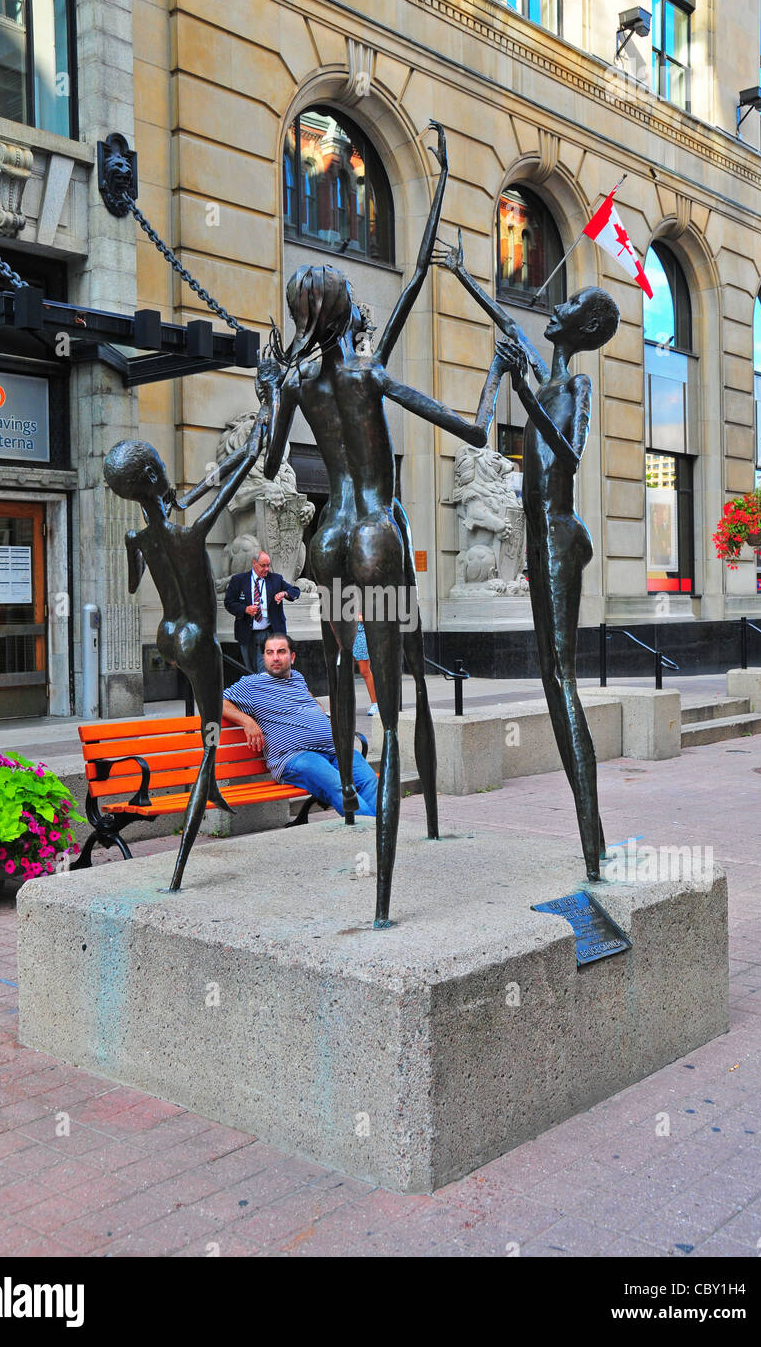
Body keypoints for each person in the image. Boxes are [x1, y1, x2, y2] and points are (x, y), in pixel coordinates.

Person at [256, 122, 508, 926]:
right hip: (375, 533)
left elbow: (269, 465)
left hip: (328, 536)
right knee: (399, 704)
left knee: (335, 676)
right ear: (340, 309)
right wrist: (437, 178)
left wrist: (271, 389)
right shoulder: (369, 368)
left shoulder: (295, 377)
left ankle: (350, 824)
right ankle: (385, 896)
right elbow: (465, 429)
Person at [103, 417, 265, 891]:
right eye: (159, 468)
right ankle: (179, 868)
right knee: (209, 745)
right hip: (198, 639)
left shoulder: (140, 538)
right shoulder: (189, 533)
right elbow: (225, 488)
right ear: (154, 478)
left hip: (168, 633)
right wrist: (251, 449)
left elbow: (135, 583)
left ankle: (209, 784)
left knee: (206, 733)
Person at [492, 291, 620, 879]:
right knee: (550, 676)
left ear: (584, 326)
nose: (553, 307)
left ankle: (592, 839)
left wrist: (519, 392)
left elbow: (570, 451)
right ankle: (590, 834)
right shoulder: (549, 379)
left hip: (561, 535)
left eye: (568, 305)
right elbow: (510, 327)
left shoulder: (576, 388)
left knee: (562, 678)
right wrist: (461, 274)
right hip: (539, 541)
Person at [222, 632, 378, 817]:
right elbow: (217, 702)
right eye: (269, 652)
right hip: (295, 757)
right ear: (263, 657)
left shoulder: (297, 678)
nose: (275, 657)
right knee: (339, 785)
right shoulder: (251, 685)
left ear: (292, 657)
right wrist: (247, 721)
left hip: (333, 749)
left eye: (281, 651)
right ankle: (370, 834)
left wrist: (316, 709)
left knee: (371, 781)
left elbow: (307, 697)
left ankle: (380, 835)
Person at [223, 550, 301, 672]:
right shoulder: (239, 580)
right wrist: (245, 609)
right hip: (246, 632)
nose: (266, 569)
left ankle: (264, 690)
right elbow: (229, 603)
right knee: (249, 670)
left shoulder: (276, 579)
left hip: (269, 633)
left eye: (268, 565)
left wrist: (284, 593)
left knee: (264, 670)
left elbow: (295, 591)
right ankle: (256, 690)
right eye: (263, 565)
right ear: (254, 563)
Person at [352, 616, 379, 716]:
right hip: (345, 636)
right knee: (342, 672)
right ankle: (339, 706)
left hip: (360, 636)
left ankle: (375, 703)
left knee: (365, 671)